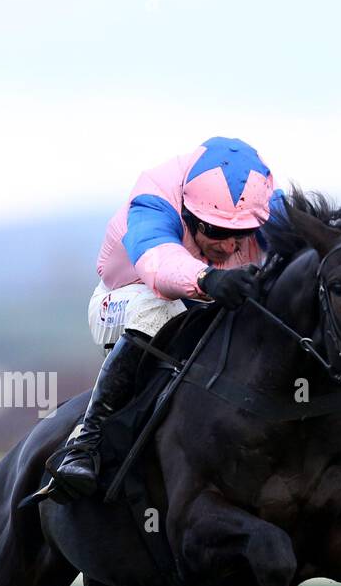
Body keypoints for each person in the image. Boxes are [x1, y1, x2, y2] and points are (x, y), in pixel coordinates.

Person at [52, 137, 281, 497]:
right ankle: (85, 442)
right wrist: (209, 278)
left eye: (240, 235)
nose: (227, 246)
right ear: (188, 213)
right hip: (125, 298)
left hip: (200, 302)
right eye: (217, 231)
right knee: (162, 308)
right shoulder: (153, 199)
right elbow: (159, 266)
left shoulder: (260, 200)